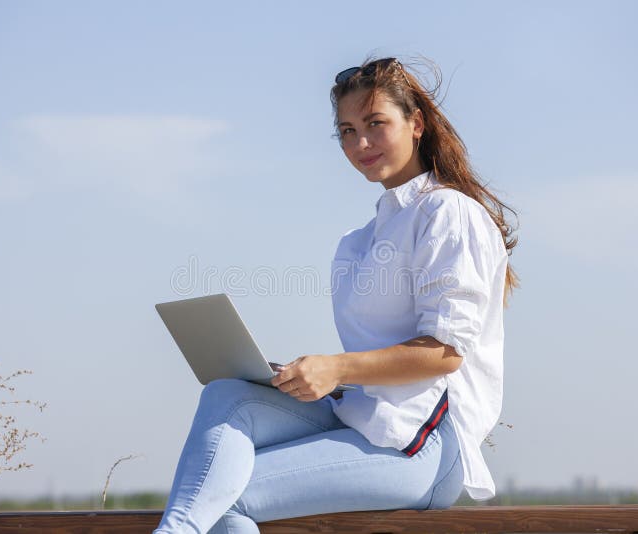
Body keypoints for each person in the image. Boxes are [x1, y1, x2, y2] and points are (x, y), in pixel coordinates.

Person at [153, 56, 519, 534]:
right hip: (359, 417)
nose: (359, 143)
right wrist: (303, 376)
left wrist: (334, 367)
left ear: (417, 124)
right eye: (346, 130)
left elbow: (444, 354)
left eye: (374, 124)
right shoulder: (358, 242)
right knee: (227, 395)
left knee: (222, 496)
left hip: (421, 443)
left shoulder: (448, 213)